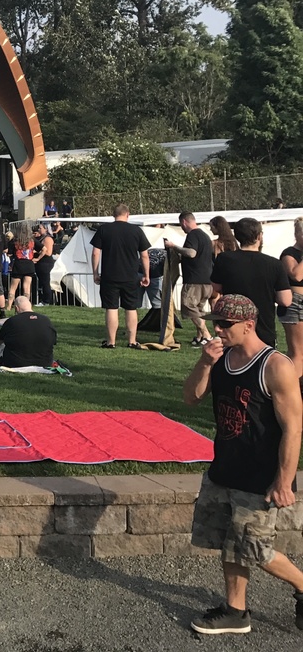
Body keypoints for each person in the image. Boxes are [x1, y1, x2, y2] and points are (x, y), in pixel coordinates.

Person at [182, 294, 303, 635]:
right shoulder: (219, 357)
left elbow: (294, 427)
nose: (217, 330)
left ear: (249, 325)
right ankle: (236, 611)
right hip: (224, 468)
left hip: (260, 477)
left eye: (225, 324)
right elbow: (190, 399)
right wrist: (204, 363)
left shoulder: (276, 366)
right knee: (229, 542)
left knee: (257, 550)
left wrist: (283, 481)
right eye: (215, 322)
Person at [212, 217, 291, 349]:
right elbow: (286, 300)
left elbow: (215, 288)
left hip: (233, 325)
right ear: (259, 236)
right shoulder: (274, 264)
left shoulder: (224, 259)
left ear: (237, 236)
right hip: (263, 326)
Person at [90, 203, 151, 349]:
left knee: (111, 308)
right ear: (127, 214)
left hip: (109, 275)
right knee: (131, 308)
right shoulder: (136, 231)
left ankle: (111, 342)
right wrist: (146, 275)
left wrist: (95, 272)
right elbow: (144, 256)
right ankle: (132, 341)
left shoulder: (104, 229)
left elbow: (95, 253)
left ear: (113, 215)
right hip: (131, 276)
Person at [164, 211, 215, 348]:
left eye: (181, 225)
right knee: (199, 309)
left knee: (189, 306)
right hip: (207, 280)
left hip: (194, 280)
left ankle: (207, 336)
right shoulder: (204, 236)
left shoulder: (193, 235)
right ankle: (199, 338)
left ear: (184, 222)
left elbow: (192, 253)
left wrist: (173, 246)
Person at [0, 297, 57, 368]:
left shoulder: (12, 321)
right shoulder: (46, 320)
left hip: (15, 362)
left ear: (16, 308)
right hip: (44, 362)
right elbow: (53, 341)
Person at [279, 218, 303, 377]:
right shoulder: (289, 253)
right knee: (298, 352)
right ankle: (293, 391)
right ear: (296, 234)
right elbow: (297, 275)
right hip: (295, 303)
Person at [5, 222, 36, 311]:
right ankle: (26, 307)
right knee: (26, 288)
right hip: (29, 264)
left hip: (18, 265)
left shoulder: (14, 241)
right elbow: (44, 249)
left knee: (13, 288)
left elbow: (9, 253)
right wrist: (36, 258)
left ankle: (9, 306)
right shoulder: (32, 241)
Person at [32, 223, 56, 306]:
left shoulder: (48, 239)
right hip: (41, 263)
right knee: (42, 282)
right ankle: (44, 299)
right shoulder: (41, 238)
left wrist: (38, 252)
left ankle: (46, 301)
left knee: (45, 282)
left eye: (40, 228)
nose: (39, 229)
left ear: (46, 229)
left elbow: (48, 252)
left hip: (45, 263)